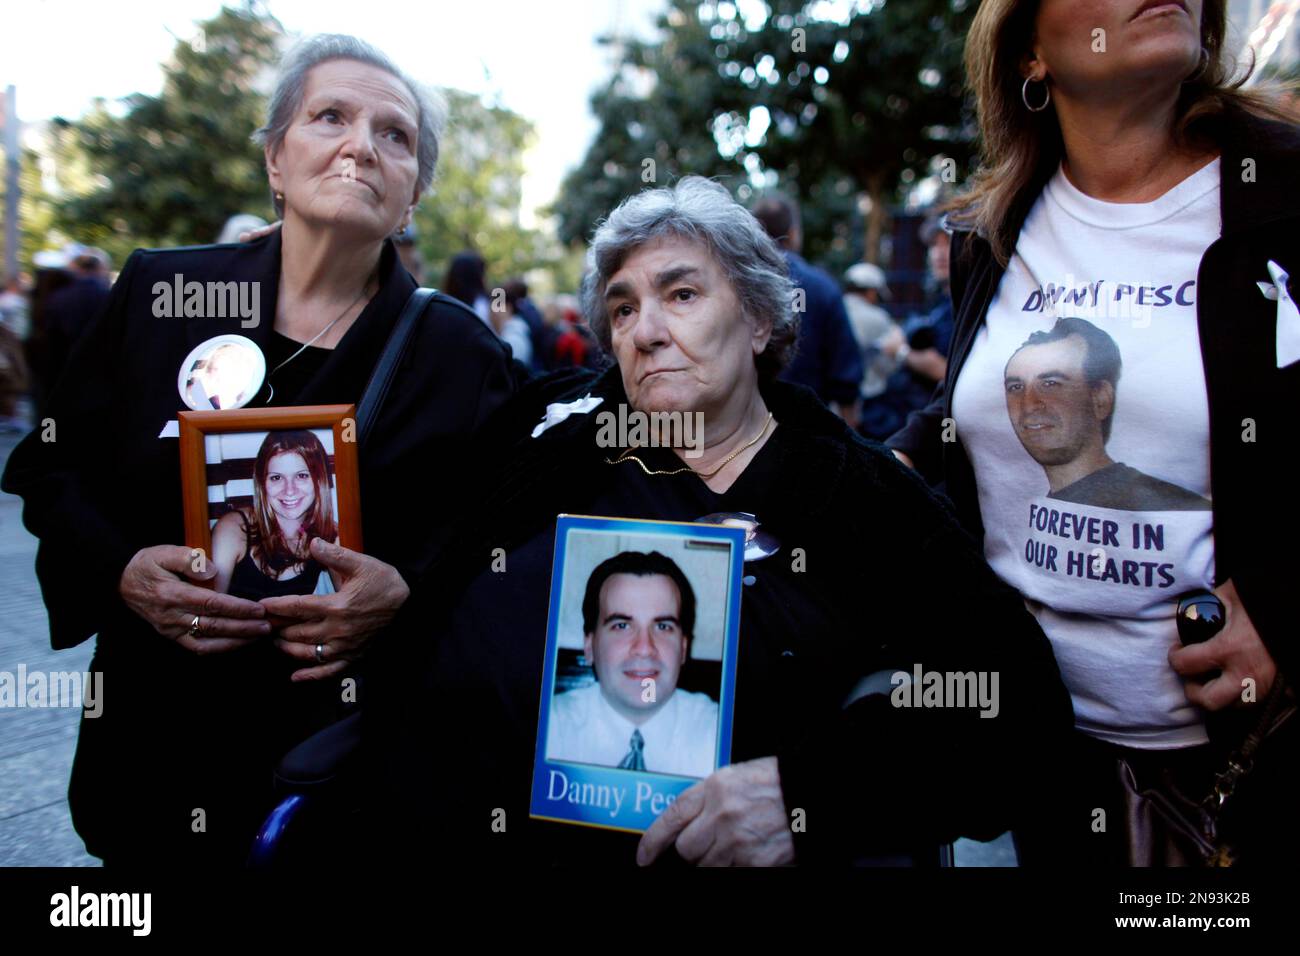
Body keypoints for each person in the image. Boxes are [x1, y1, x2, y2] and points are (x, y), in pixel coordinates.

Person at [370, 175, 1073, 867]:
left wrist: (808, 795)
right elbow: (436, 582)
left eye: (681, 295)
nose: (645, 332)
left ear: (760, 318)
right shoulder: (552, 444)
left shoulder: (854, 492)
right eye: (621, 310)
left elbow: (1017, 706)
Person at [0, 33, 518, 865]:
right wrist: (121, 569)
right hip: (152, 741)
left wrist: (406, 591)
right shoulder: (164, 292)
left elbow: (500, 544)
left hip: (330, 765)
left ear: (413, 196)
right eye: (331, 117)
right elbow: (47, 466)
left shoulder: (464, 359)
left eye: (396, 135)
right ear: (276, 159)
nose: (362, 145)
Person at [886, 0, 1299, 865]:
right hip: (1044, 758)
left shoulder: (1285, 192)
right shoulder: (991, 233)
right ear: (1030, 48)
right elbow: (958, 424)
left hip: (1249, 765)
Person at [1004, 318, 1210, 510]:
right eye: (1015, 387)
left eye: (1050, 384)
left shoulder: (1177, 508)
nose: (1028, 405)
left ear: (1101, 398)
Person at [546, 551, 719, 778]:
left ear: (684, 649)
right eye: (622, 626)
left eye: (663, 626)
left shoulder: (718, 732)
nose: (645, 648)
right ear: (589, 647)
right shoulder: (549, 728)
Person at [750, 193, 864, 423]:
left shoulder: (735, 284)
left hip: (744, 430)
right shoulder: (823, 287)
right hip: (809, 430)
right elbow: (846, 377)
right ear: (793, 233)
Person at [211, 431, 338, 601]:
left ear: (319, 480)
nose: (290, 490)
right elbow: (206, 610)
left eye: (302, 476)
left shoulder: (330, 535)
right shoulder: (233, 529)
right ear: (262, 484)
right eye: (276, 478)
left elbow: (354, 607)